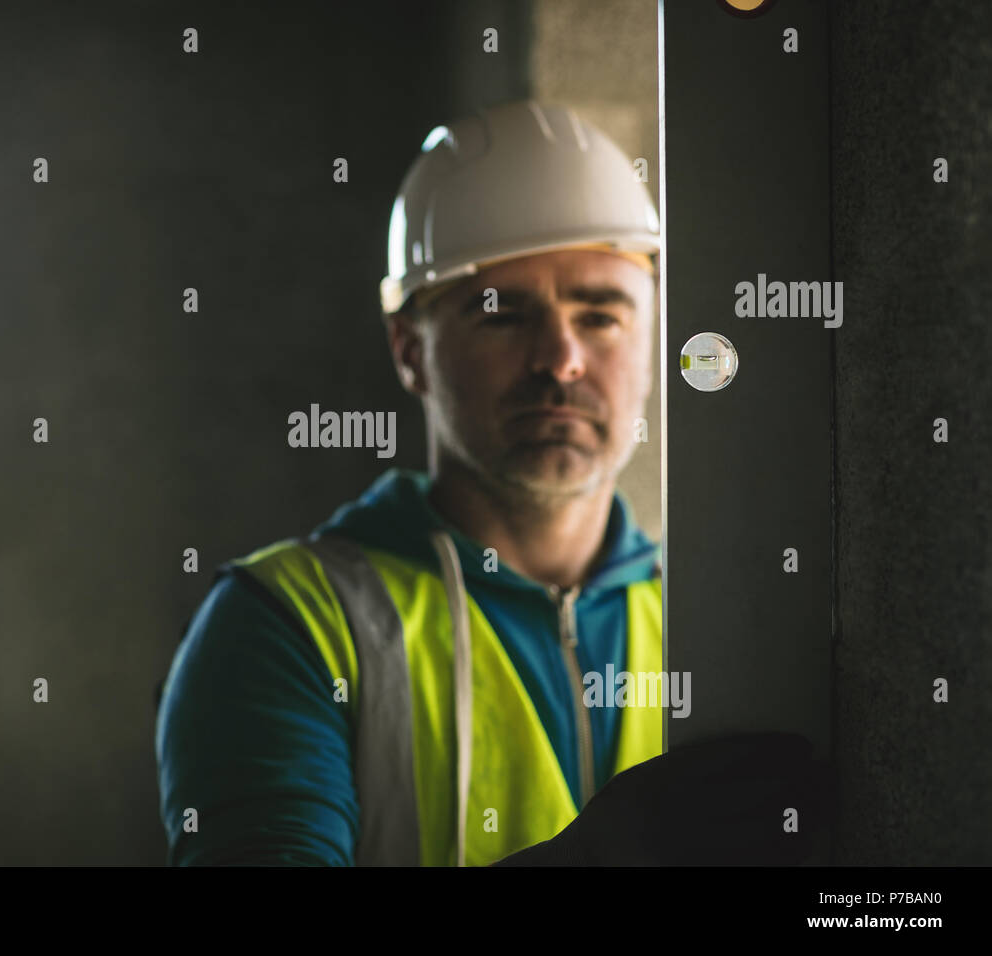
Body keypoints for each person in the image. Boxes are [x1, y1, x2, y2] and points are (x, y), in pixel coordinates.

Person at [155, 100, 824, 866]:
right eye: (504, 315)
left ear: (653, 336)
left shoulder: (724, 618)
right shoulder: (287, 625)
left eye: (602, 314)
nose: (561, 359)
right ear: (410, 350)